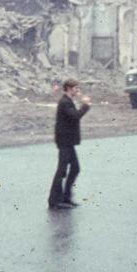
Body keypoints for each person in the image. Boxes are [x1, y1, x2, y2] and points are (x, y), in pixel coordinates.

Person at [48, 78, 91, 209]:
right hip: (64, 141)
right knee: (62, 170)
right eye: (76, 88)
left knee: (75, 168)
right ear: (68, 88)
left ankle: (66, 197)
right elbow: (75, 116)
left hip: (68, 141)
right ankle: (55, 201)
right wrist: (85, 106)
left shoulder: (68, 101)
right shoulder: (65, 102)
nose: (78, 91)